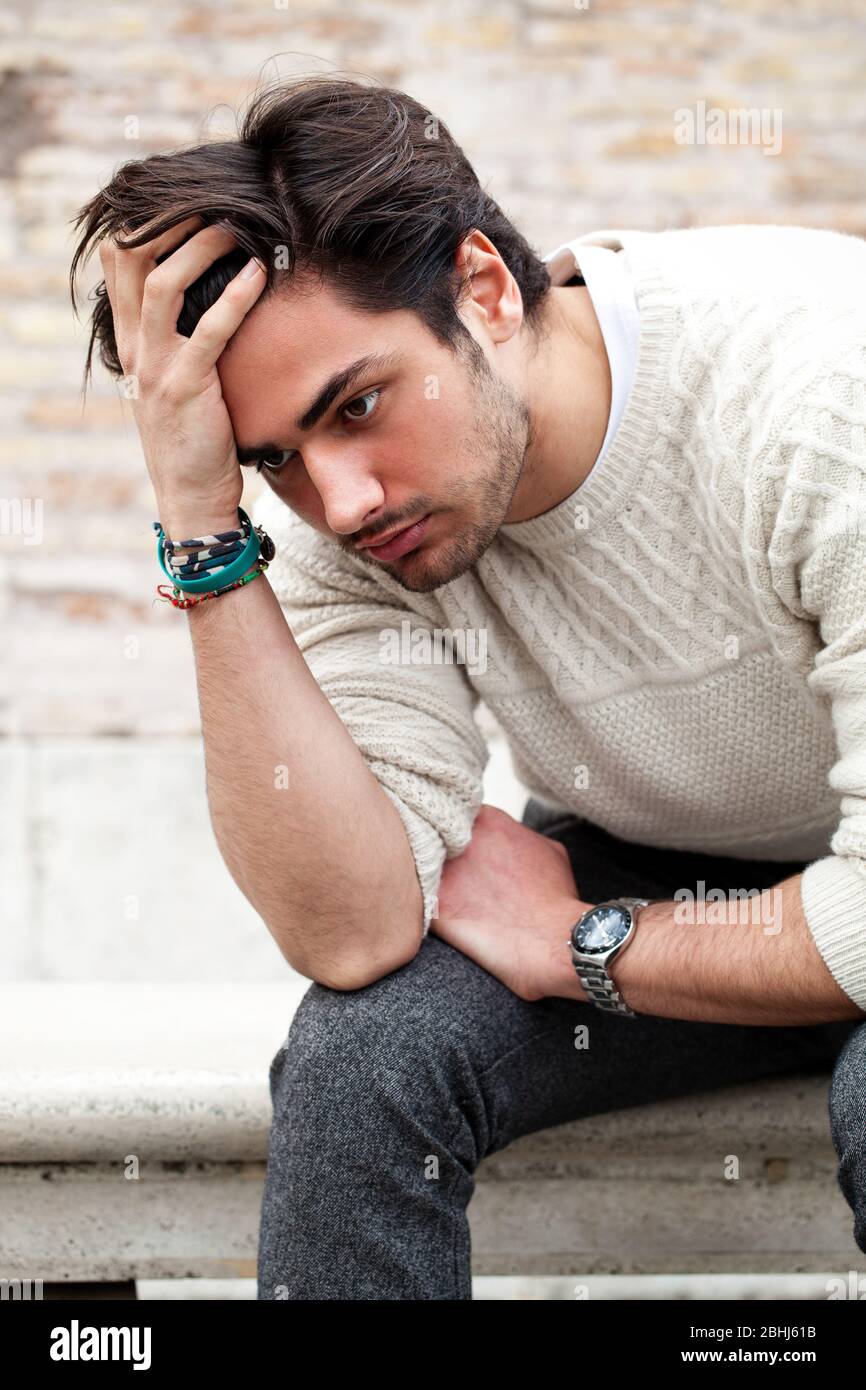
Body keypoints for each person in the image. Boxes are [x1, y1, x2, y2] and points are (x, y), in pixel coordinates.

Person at [70, 74, 866, 1300]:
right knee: (364, 1059)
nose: (339, 500)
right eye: (275, 456)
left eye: (359, 405)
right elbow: (353, 929)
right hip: (660, 851)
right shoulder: (349, 531)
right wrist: (202, 521)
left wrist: (586, 942)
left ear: (483, 287)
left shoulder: (815, 395)